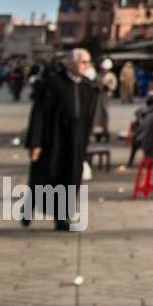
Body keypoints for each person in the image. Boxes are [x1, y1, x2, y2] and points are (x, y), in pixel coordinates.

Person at [23, 50, 97, 231]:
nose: (86, 65)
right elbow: (38, 115)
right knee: (46, 175)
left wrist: (86, 143)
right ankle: (29, 206)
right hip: (53, 139)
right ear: (70, 64)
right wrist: (35, 143)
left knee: (71, 177)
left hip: (76, 141)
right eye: (82, 62)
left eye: (88, 62)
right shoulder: (52, 84)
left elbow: (89, 117)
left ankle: (62, 217)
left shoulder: (87, 87)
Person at [92, 58, 116, 143]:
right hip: (98, 97)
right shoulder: (98, 75)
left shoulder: (111, 76)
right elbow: (94, 84)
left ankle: (105, 132)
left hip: (106, 97)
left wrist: (106, 87)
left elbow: (113, 86)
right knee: (97, 115)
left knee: (105, 114)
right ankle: (97, 133)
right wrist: (97, 87)